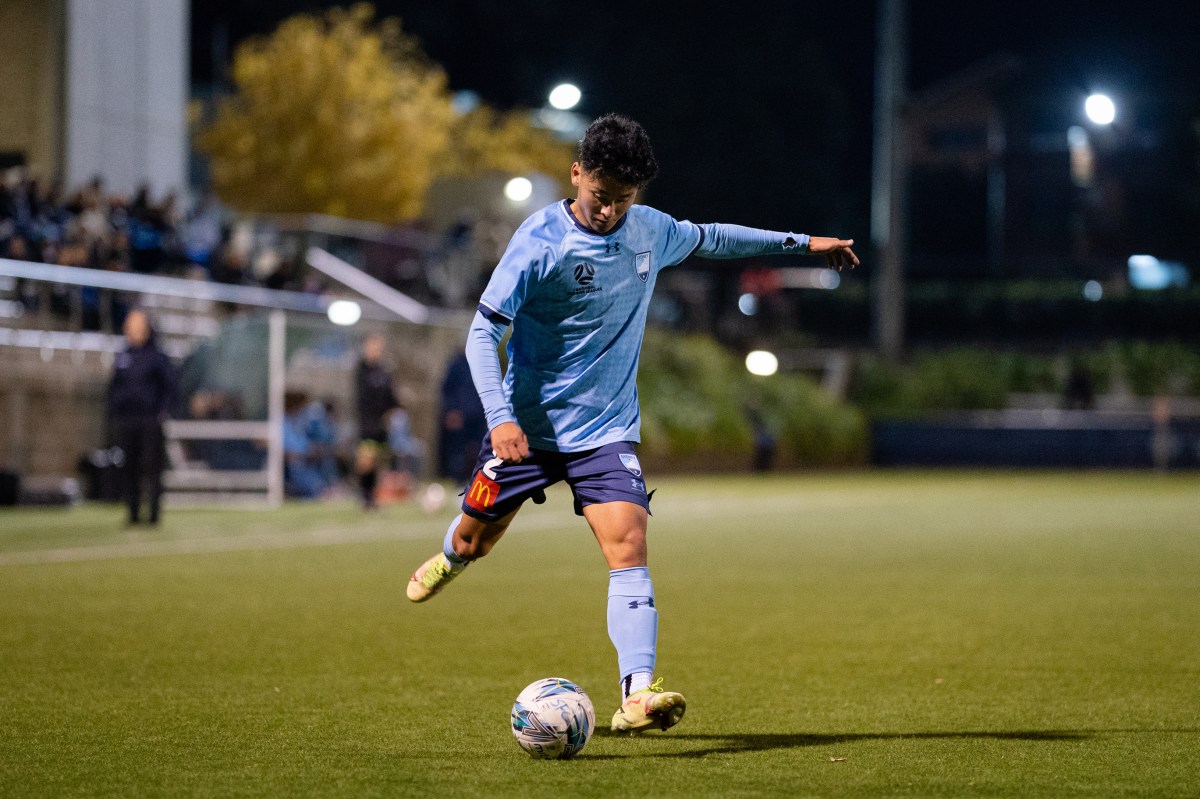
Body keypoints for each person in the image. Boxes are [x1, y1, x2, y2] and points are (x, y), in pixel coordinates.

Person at [404, 114, 858, 734]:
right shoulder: (539, 242)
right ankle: (450, 557)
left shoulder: (649, 230)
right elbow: (483, 334)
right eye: (599, 197)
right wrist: (501, 416)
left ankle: (636, 694)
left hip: (605, 431)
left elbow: (717, 238)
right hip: (528, 432)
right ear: (576, 175)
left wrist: (803, 244)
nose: (609, 212)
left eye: (622, 200)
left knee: (629, 542)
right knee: (474, 541)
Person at [106, 309, 177, 526]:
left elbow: (170, 387)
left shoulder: (157, 356)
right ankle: (133, 514)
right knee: (130, 467)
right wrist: (114, 410)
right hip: (127, 420)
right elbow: (113, 387)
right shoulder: (122, 356)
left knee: (152, 468)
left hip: (150, 421)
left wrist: (161, 412)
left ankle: (154, 515)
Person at [355, 333, 399, 510]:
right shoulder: (361, 370)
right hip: (367, 424)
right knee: (366, 461)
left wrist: (394, 410)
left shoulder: (383, 372)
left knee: (377, 463)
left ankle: (371, 496)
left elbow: (390, 397)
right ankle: (364, 495)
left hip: (382, 425)